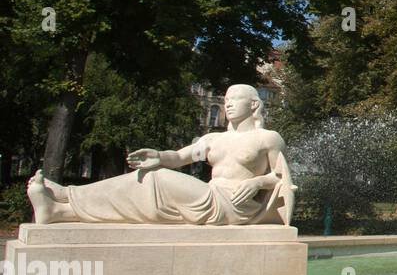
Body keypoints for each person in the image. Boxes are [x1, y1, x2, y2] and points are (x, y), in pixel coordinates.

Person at [26, 84, 294, 225]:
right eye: (225, 100)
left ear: (254, 104)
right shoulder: (214, 139)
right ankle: (60, 211)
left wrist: (258, 181)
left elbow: (283, 180)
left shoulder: (266, 138)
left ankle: (67, 195)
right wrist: (159, 156)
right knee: (144, 191)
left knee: (157, 180)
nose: (228, 104)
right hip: (210, 198)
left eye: (235, 99)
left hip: (236, 207)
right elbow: (179, 158)